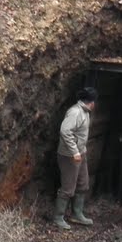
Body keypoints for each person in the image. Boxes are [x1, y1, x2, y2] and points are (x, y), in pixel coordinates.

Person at [54, 87, 97, 229]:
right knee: (68, 188)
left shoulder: (86, 112)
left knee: (83, 184)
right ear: (91, 102)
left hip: (80, 153)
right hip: (69, 155)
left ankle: (76, 213)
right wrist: (74, 152)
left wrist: (81, 151)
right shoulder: (75, 112)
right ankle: (58, 217)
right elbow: (65, 131)